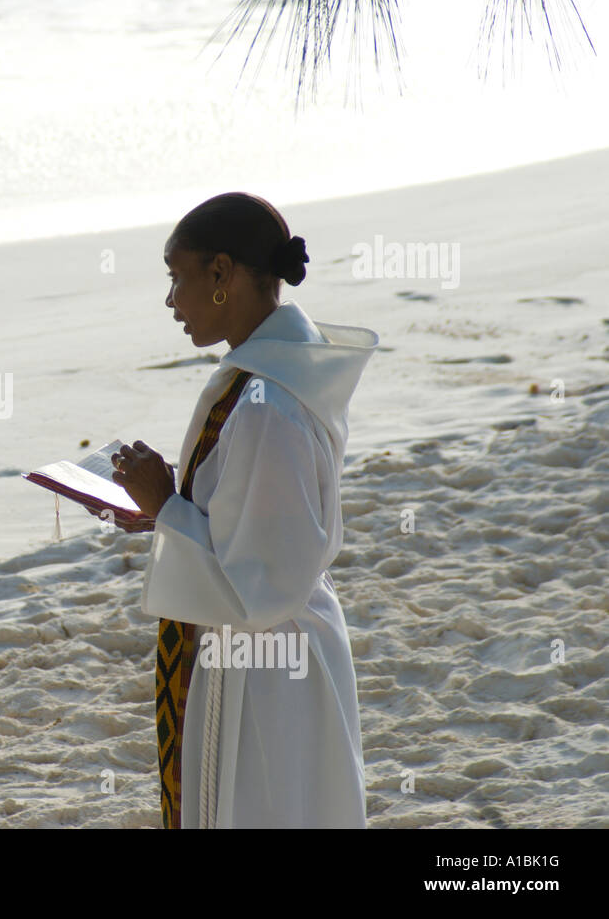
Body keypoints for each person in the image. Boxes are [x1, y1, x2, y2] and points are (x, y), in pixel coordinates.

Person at [110, 192, 377, 828]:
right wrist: (171, 504)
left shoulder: (264, 404)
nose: (171, 301)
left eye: (177, 278)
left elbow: (254, 584)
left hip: (265, 663)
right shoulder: (275, 373)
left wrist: (170, 507)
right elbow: (256, 523)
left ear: (222, 274)